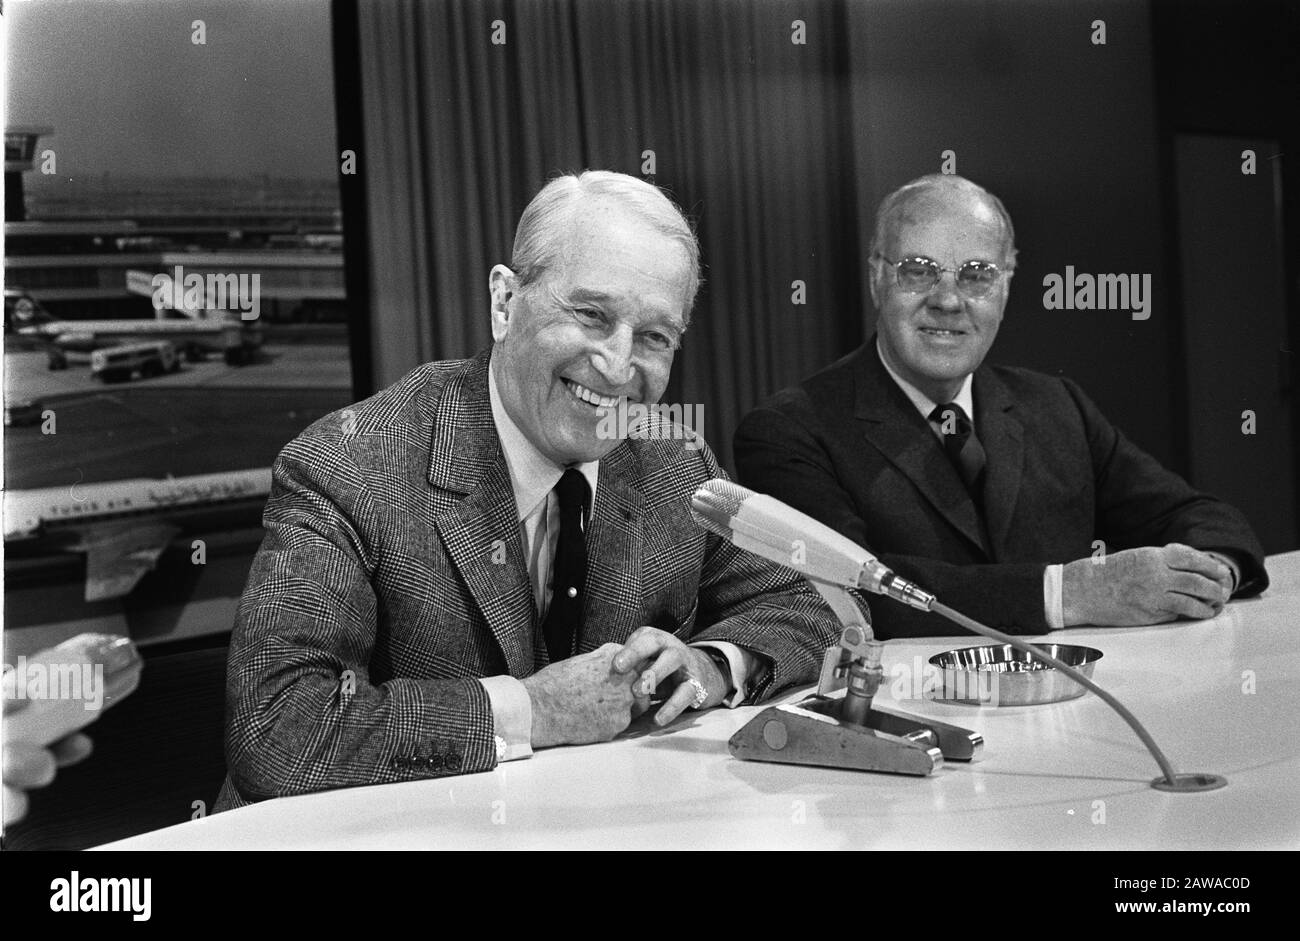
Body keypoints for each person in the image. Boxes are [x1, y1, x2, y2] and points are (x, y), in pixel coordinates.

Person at [216, 170, 842, 810]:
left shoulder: (670, 457)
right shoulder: (348, 467)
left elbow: (812, 606)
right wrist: (537, 710)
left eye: (656, 336)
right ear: (504, 302)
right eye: (591, 315)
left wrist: (707, 668)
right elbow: (278, 729)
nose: (620, 367)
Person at [734, 173, 1268, 640]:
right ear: (878, 276)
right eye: (919, 270)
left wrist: (1207, 572)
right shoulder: (790, 430)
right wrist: (1071, 593)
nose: (947, 299)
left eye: (976, 275)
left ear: (1006, 287)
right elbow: (848, 591)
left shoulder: (1056, 407)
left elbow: (1200, 517)